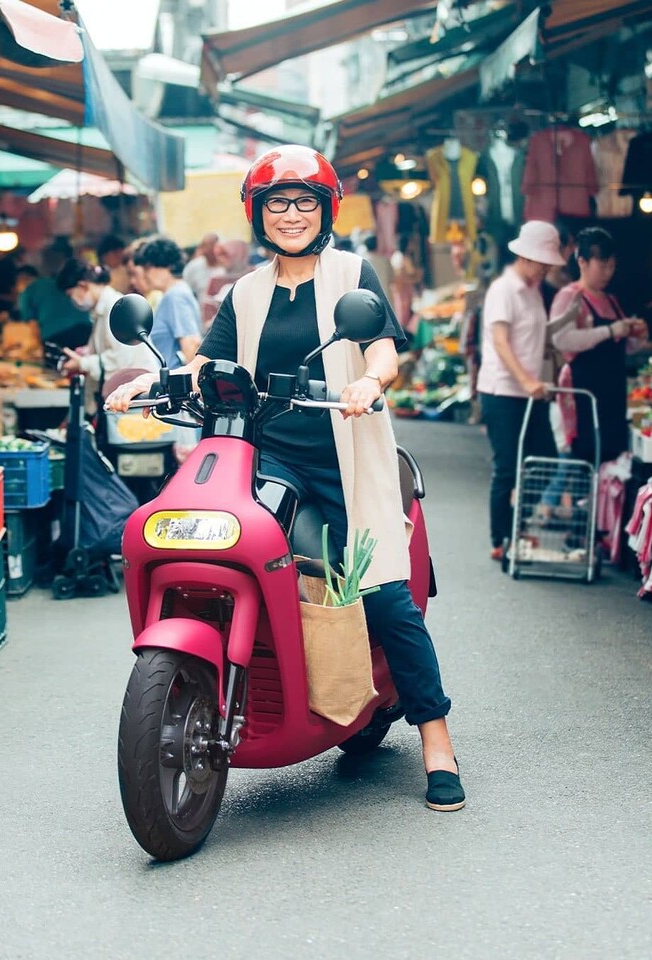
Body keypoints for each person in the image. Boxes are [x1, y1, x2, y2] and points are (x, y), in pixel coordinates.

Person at [106, 144, 466, 812]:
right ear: (257, 215)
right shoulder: (246, 292)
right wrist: (146, 382)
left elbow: (383, 343)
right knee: (258, 565)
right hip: (269, 461)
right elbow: (203, 363)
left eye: (304, 202)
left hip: (346, 464)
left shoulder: (354, 271)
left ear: (324, 209)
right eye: (277, 203)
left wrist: (368, 378)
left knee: (383, 594)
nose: (291, 214)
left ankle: (435, 739)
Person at [477, 221, 578, 560]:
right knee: (507, 467)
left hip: (531, 392)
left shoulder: (533, 290)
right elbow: (502, 343)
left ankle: (516, 528)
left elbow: (535, 337)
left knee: (545, 461)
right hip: (502, 391)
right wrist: (526, 381)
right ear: (527, 256)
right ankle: (500, 539)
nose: (548, 268)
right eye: (544, 261)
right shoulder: (504, 290)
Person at [550, 227, 648, 465]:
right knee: (587, 457)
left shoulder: (611, 300)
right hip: (586, 393)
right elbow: (561, 339)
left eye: (612, 266)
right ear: (582, 262)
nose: (608, 273)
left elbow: (623, 348)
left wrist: (637, 335)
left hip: (613, 392)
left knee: (612, 459)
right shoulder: (570, 296)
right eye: (602, 266)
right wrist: (609, 330)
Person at [55, 258, 159, 409]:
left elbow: (120, 360)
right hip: (127, 395)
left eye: (71, 294)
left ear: (82, 286)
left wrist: (82, 363)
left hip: (140, 396)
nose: (73, 300)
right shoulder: (101, 311)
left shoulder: (114, 308)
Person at [132, 237, 202, 369]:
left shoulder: (175, 296)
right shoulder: (175, 294)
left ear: (165, 267)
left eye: (148, 268)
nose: (146, 274)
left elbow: (191, 344)